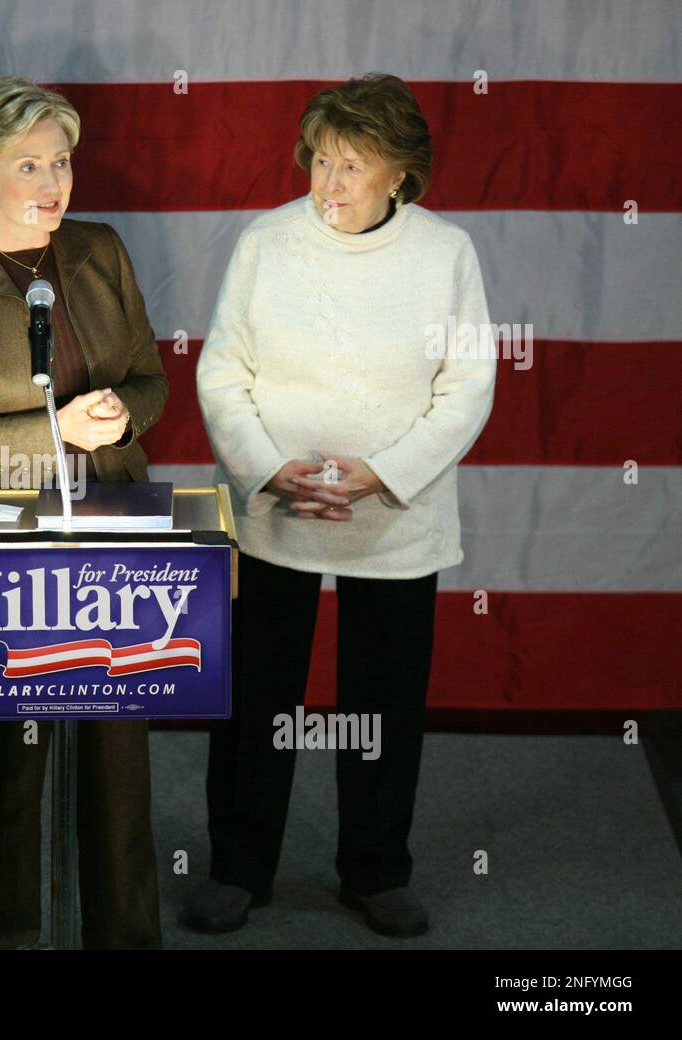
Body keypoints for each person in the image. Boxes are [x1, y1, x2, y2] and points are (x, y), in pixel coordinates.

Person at [188, 73, 496, 938]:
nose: (328, 183)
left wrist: (387, 472)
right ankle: (238, 867)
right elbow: (223, 371)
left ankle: (375, 871)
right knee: (257, 697)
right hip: (275, 510)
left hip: (396, 519)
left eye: (352, 165)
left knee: (384, 699)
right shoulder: (266, 242)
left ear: (401, 173)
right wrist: (266, 467)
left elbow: (468, 386)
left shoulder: (447, 254)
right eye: (320, 160)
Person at [0, 76, 169, 948]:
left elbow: (151, 382)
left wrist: (123, 412)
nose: (52, 183)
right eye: (28, 165)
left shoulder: (102, 250)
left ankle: (123, 936)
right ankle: (6, 932)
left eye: (61, 162)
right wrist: (51, 426)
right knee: (5, 762)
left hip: (112, 529)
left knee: (115, 758)